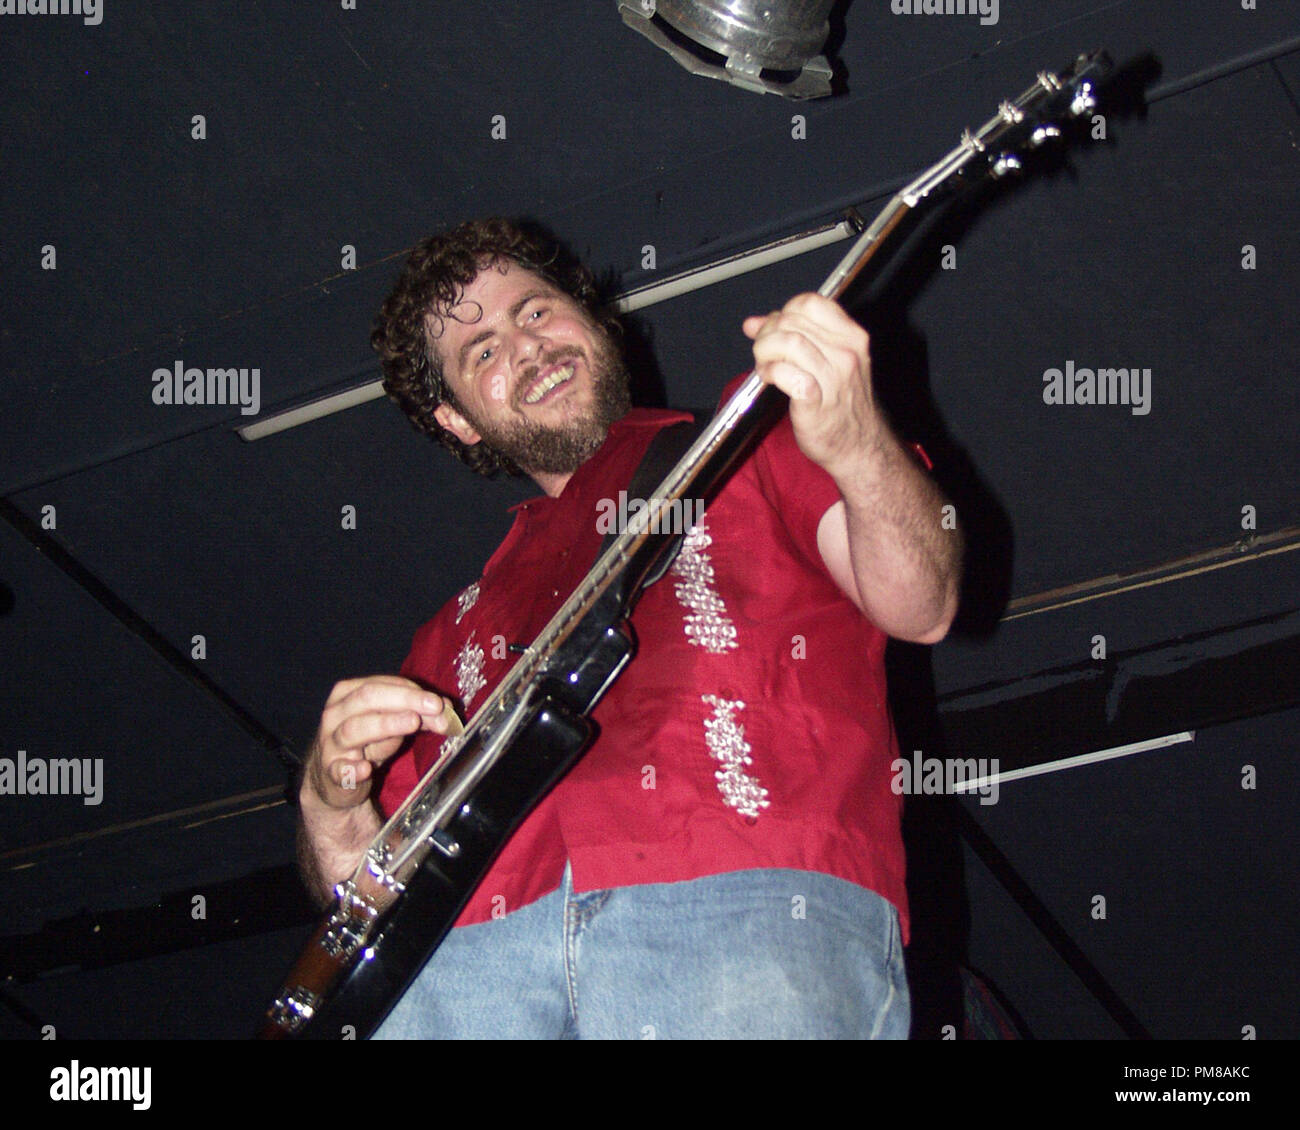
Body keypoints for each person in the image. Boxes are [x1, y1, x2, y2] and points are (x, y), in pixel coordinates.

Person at [296, 217, 962, 1039]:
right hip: (468, 971)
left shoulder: (747, 441)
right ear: (459, 420)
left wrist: (857, 440)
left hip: (741, 901)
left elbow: (922, 601)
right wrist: (331, 806)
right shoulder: (444, 639)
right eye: (483, 353)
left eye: (535, 312)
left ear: (591, 319)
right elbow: (366, 900)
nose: (526, 347)